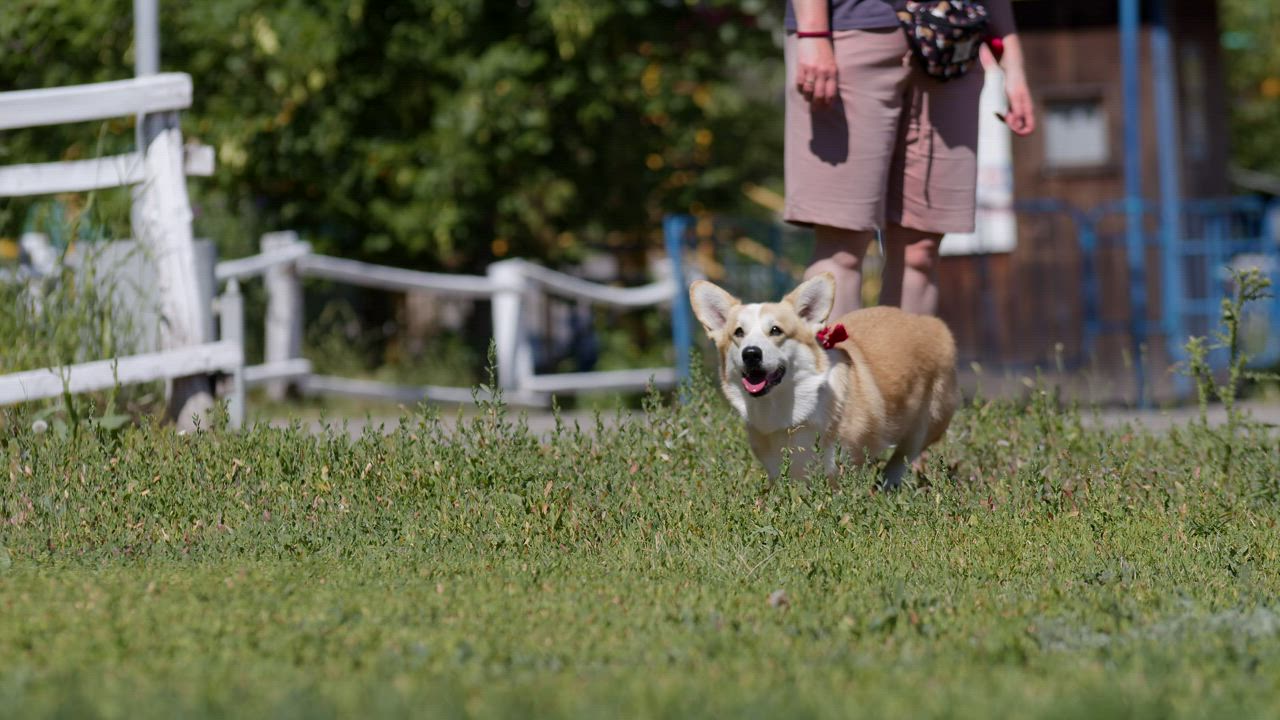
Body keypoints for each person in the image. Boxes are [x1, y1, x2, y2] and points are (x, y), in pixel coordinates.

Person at [785, 0, 1035, 317]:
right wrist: (813, 34)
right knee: (844, 243)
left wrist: (1012, 61)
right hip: (850, 30)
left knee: (921, 249)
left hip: (951, 40)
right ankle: (836, 366)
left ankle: (904, 366)